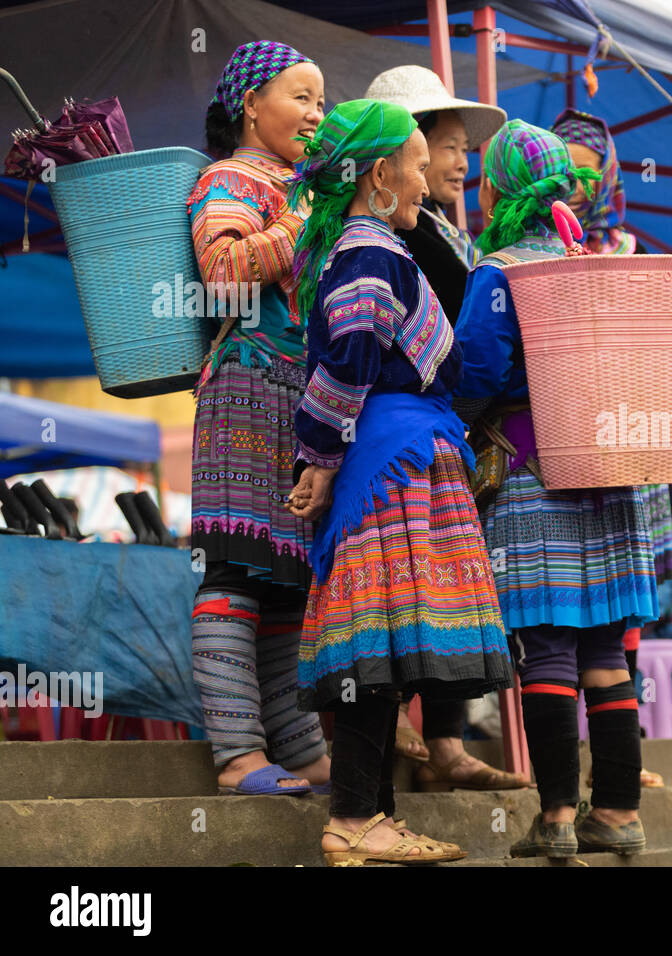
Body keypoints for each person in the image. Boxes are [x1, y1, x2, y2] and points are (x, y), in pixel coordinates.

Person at [288, 98, 514, 865]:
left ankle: (372, 817)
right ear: (381, 175)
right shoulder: (368, 256)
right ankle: (353, 819)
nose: (429, 181)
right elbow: (346, 363)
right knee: (376, 648)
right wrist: (318, 462)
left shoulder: (370, 249)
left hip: (397, 456)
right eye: (419, 165)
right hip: (393, 467)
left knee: (379, 648)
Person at [454, 119, 655, 858]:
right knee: (606, 650)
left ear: (496, 186)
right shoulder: (591, 264)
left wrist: (449, 427)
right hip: (604, 474)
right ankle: (622, 814)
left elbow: (475, 371)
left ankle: (560, 818)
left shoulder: (499, 270)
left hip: (532, 478)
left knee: (545, 649)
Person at [362, 65, 530, 793]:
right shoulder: (393, 239)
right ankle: (402, 735)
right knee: (408, 579)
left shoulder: (445, 234)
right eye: (449, 146)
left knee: (456, 582)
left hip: (447, 433)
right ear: (406, 151)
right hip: (408, 431)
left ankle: (448, 740)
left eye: (464, 150)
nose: (461, 163)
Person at [187, 41, 329, 796]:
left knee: (286, 579)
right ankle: (237, 754)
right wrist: (304, 220)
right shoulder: (229, 179)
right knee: (236, 568)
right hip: (246, 387)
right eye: (300, 96)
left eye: (320, 101)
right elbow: (223, 278)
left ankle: (299, 750)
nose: (316, 113)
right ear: (250, 104)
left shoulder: (303, 186)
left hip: (300, 397)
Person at [552, 106, 668, 790]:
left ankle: (617, 761)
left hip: (629, 446)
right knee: (567, 611)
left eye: (590, 172)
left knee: (625, 607)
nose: (577, 183)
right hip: (564, 447)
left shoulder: (628, 252)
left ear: (611, 178)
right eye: (566, 169)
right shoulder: (537, 248)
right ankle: (572, 770)